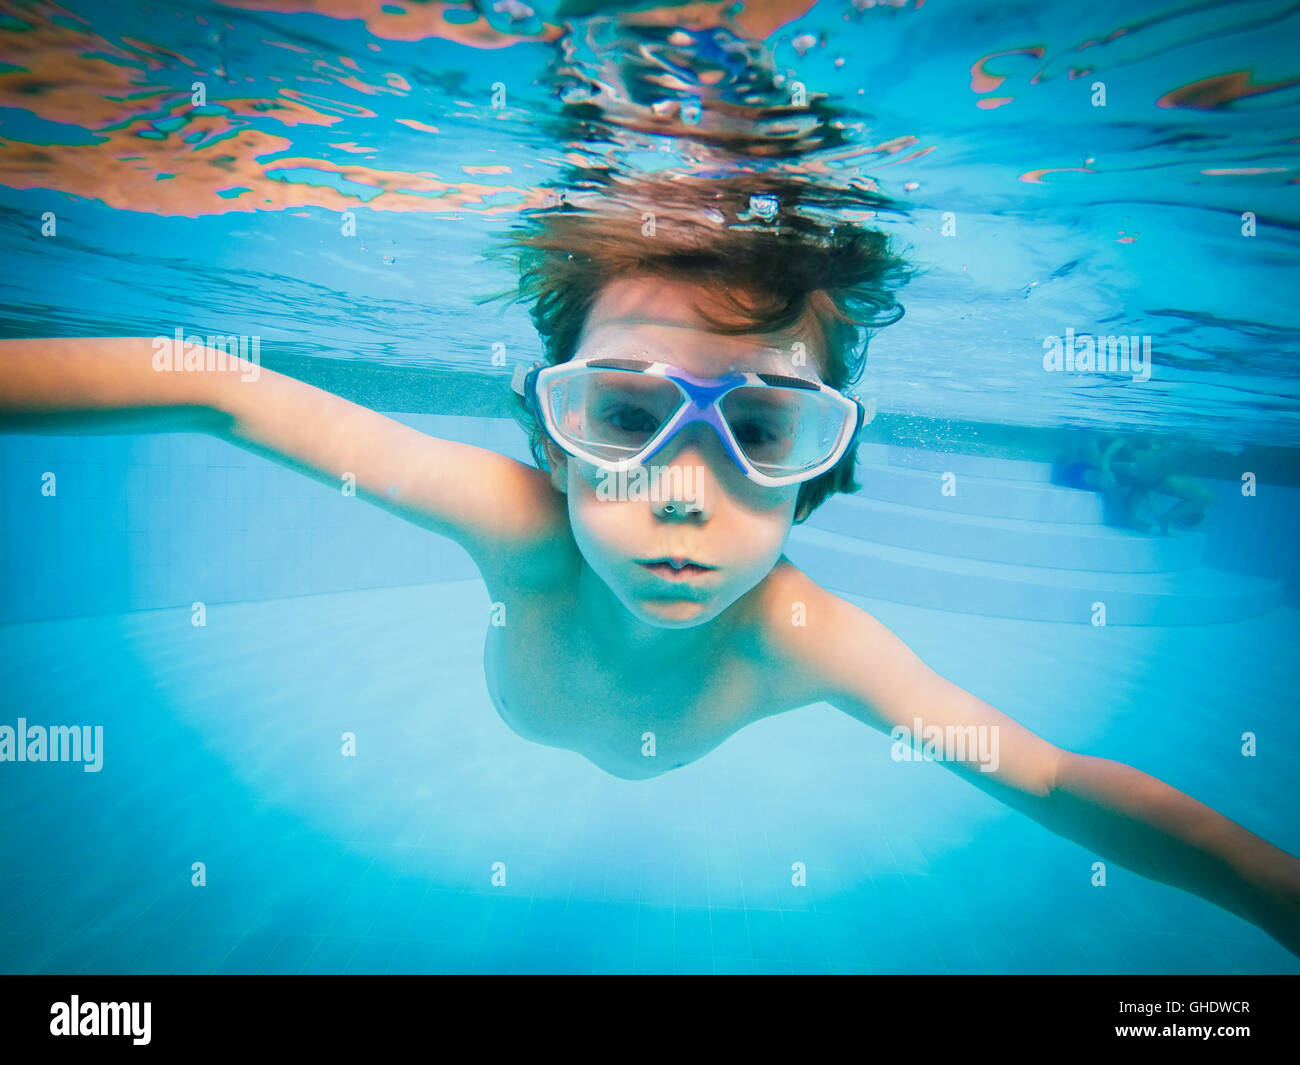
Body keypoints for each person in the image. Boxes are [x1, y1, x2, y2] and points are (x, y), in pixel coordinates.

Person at [2, 173, 1297, 956]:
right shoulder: (521, 525)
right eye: (624, 415)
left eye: (765, 427)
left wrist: (1271, 889)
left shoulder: (806, 636)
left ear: (823, 465)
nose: (685, 494)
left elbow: (1056, 775)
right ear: (555, 443)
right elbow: (219, 389)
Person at [1062, 433, 1214, 533]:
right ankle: (1137, 519)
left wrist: (1156, 516)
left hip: (1099, 472)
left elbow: (1143, 490)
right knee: (1117, 476)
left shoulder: (1142, 466)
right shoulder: (1128, 446)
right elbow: (1103, 459)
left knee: (1134, 481)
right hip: (1081, 473)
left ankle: (1141, 519)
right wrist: (1107, 469)